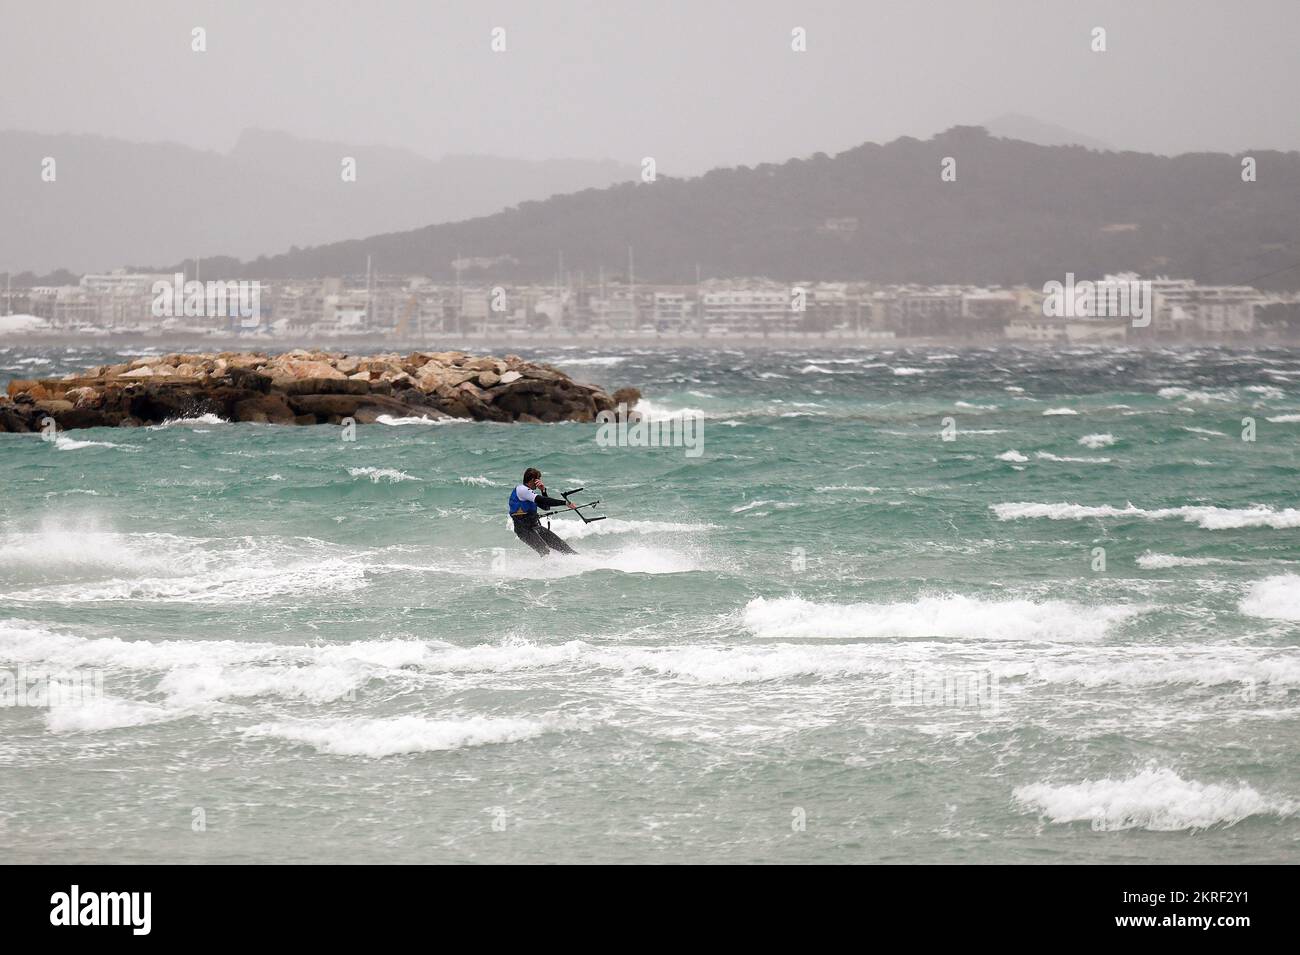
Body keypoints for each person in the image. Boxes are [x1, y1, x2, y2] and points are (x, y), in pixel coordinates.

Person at [508, 467, 579, 556]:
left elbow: (546, 507)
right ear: (533, 480)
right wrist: (565, 503)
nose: (540, 482)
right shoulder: (522, 490)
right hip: (523, 529)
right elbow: (544, 500)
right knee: (545, 552)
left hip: (535, 527)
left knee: (564, 548)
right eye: (539, 479)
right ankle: (548, 569)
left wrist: (543, 491)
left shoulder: (530, 494)